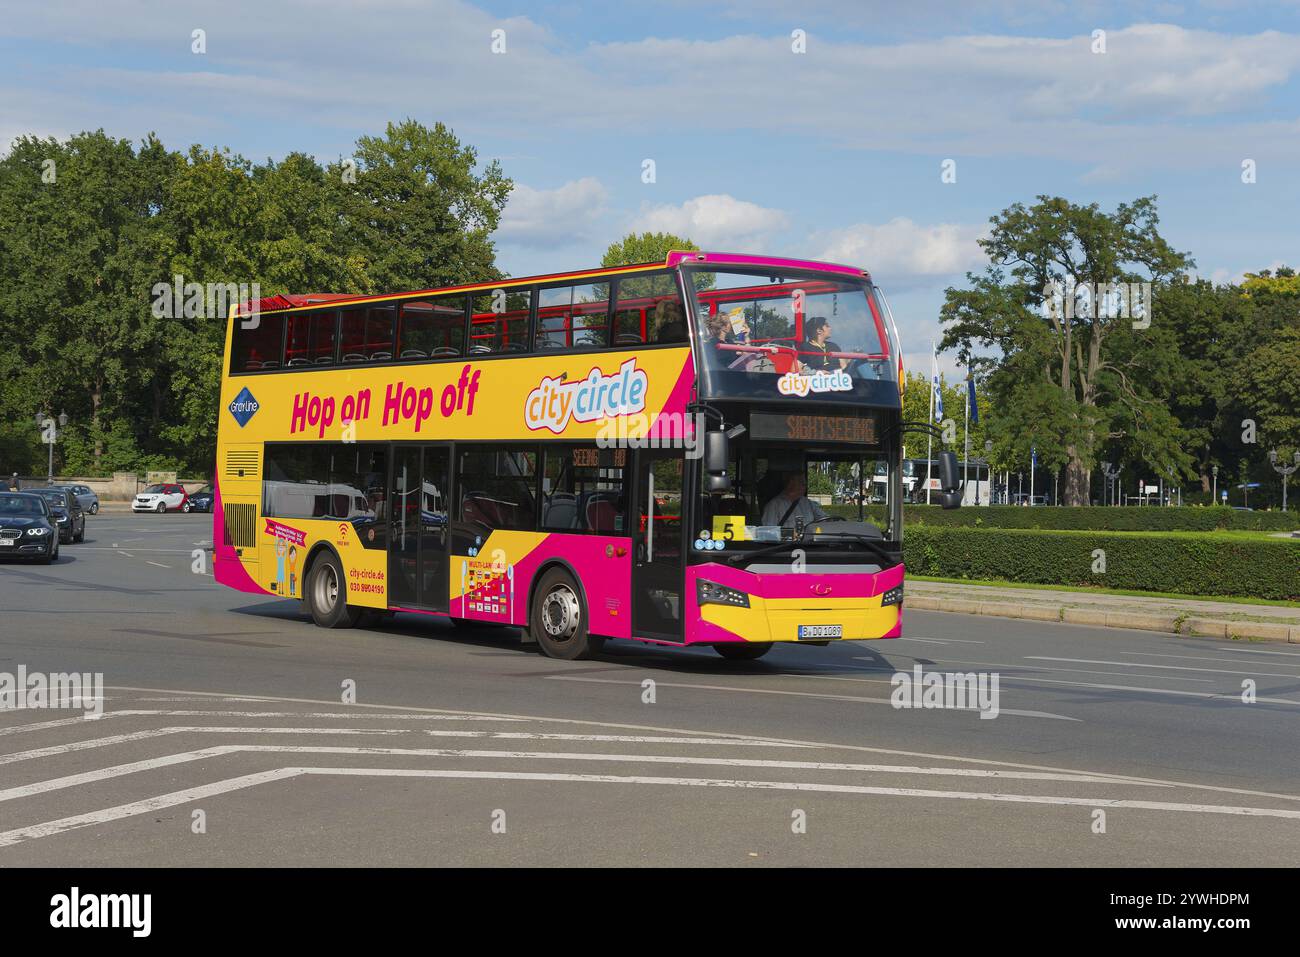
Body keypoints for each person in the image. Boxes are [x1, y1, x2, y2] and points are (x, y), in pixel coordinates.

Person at [761, 472, 828, 528]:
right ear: (791, 483)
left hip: (808, 543)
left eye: (804, 483)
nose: (805, 486)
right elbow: (769, 532)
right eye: (802, 483)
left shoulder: (808, 503)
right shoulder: (773, 505)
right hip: (786, 544)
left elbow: (825, 520)